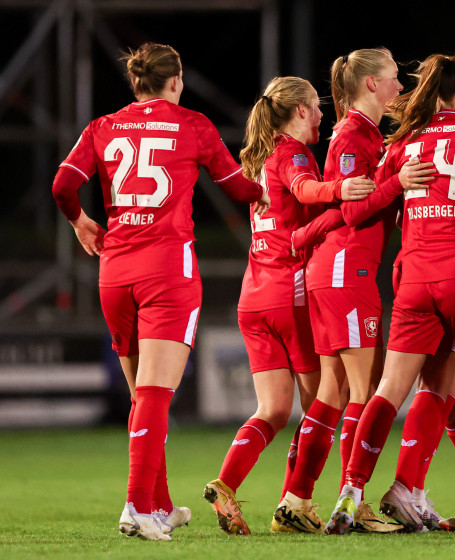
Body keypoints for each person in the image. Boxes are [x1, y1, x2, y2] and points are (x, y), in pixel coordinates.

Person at [51, 42, 269, 541]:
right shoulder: (193, 125)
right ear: (176, 81)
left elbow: (62, 184)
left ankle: (160, 505)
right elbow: (238, 189)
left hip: (115, 272)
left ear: (136, 83)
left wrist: (81, 222)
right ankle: (135, 507)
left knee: (143, 397)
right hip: (167, 271)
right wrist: (270, 187)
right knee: (155, 394)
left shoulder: (103, 126)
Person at [324, 52, 455, 536]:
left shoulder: (405, 141)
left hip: (414, 277)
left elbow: (369, 209)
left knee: (391, 389)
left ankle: (351, 491)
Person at [201, 76, 374, 535]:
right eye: (315, 105)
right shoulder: (292, 152)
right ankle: (296, 502)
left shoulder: (260, 156)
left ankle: (225, 485)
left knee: (273, 410)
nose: (321, 114)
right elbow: (304, 190)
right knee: (323, 403)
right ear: (298, 110)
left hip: (253, 295)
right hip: (289, 291)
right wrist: (341, 192)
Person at [276, 47, 430, 534]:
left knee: (334, 391)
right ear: (371, 84)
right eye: (393, 77)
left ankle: (296, 500)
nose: (400, 87)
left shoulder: (366, 133)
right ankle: (354, 501)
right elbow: (352, 209)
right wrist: (398, 182)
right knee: (366, 390)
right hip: (345, 269)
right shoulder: (351, 134)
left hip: (339, 269)